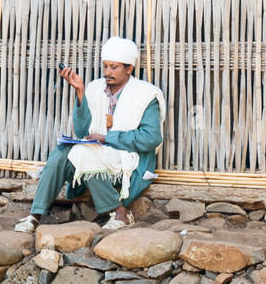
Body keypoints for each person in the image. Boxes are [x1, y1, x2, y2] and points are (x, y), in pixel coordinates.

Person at [16, 37, 165, 233]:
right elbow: (81, 132)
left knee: (85, 154)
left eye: (114, 67)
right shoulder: (95, 88)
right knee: (62, 152)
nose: (107, 72)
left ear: (129, 69)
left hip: (129, 159)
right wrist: (80, 93)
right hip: (98, 153)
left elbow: (150, 138)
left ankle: (121, 213)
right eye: (105, 66)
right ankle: (35, 215)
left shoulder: (146, 95)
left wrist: (107, 138)